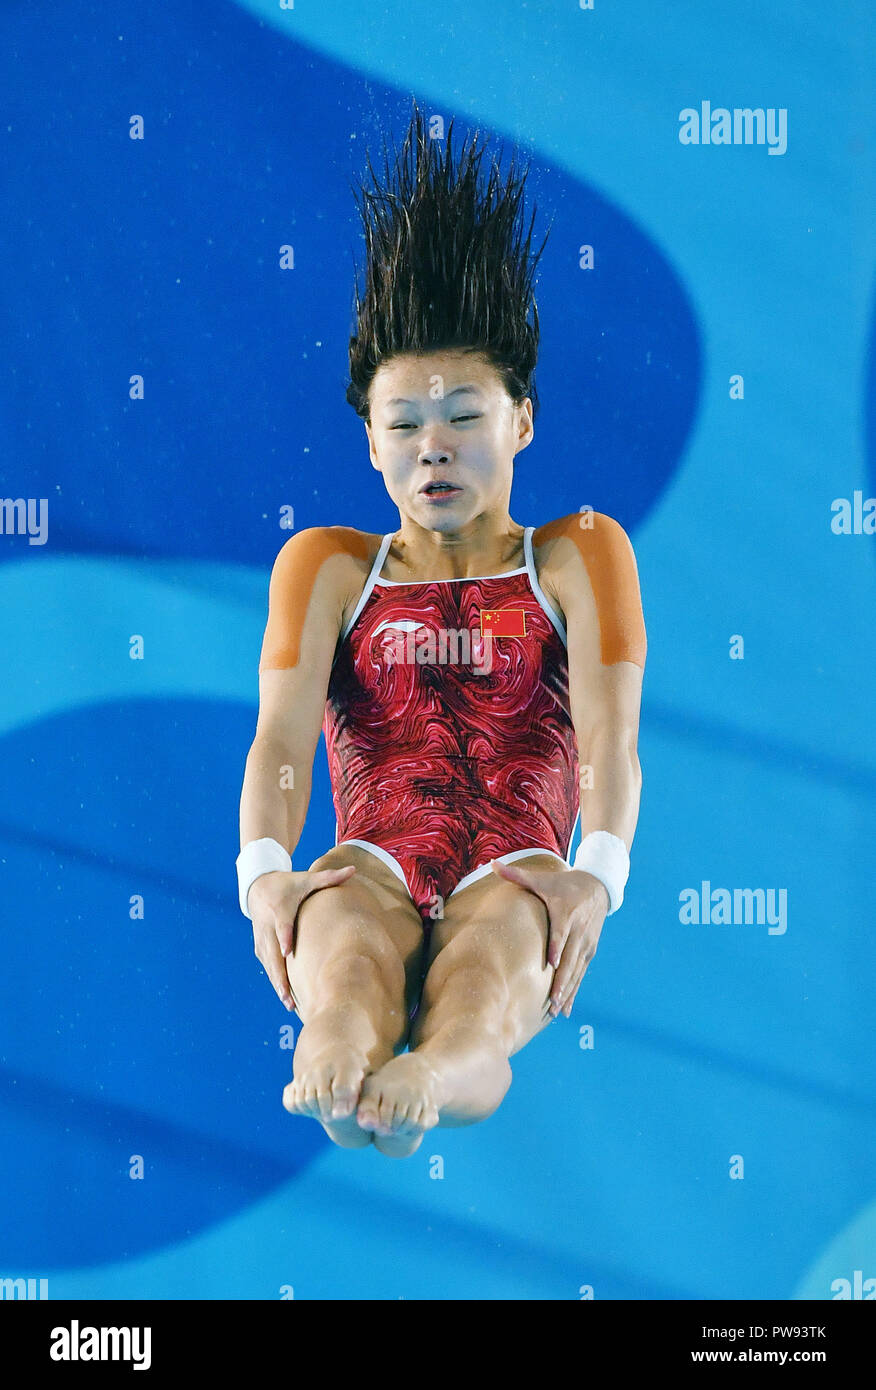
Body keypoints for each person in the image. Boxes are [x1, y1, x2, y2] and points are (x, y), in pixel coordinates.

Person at [237, 102, 646, 1158]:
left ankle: (430, 1071)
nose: (436, 450)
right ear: (369, 442)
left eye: (465, 416)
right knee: (343, 948)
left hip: (517, 867)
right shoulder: (327, 565)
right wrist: (265, 872)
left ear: (523, 418)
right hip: (375, 854)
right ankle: (339, 1047)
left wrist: (596, 873)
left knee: (487, 976)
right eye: (404, 424)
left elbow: (609, 734)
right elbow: (281, 738)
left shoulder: (578, 553)